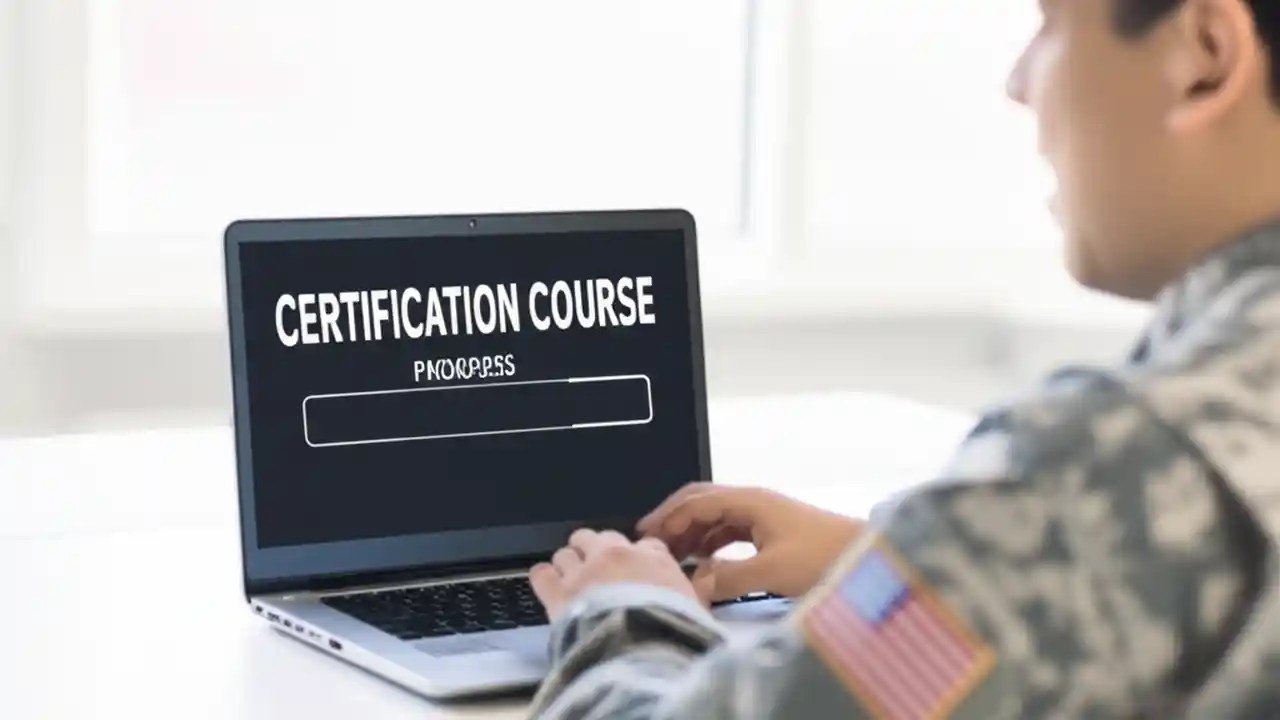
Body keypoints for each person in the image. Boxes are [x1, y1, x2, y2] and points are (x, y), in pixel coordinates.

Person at [526, 0, 1280, 716]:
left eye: (1051, 23)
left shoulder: (1120, 458)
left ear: (1205, 55)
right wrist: (912, 568)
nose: (1018, 83)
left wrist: (625, 610)